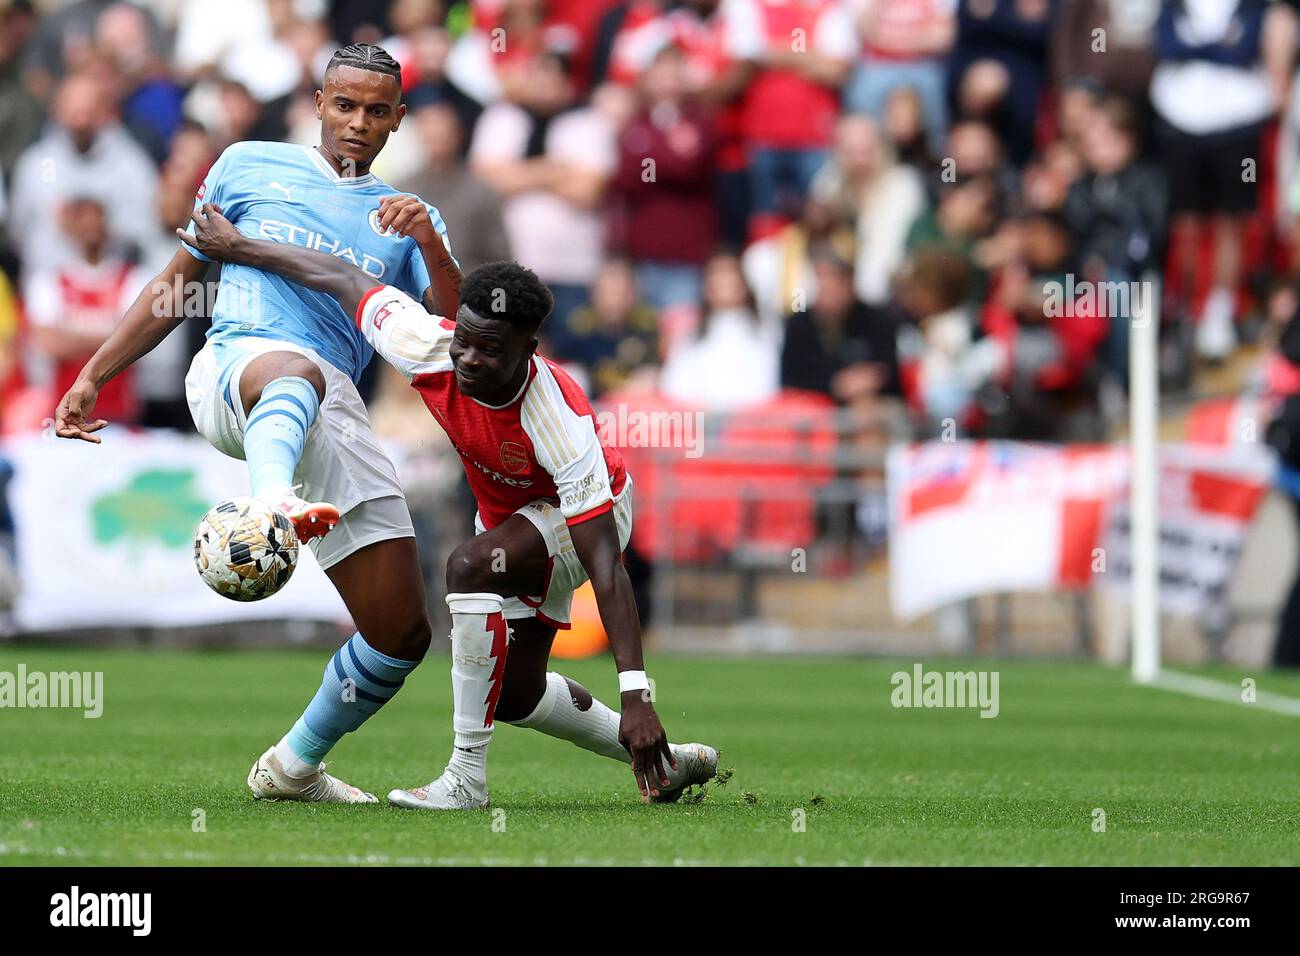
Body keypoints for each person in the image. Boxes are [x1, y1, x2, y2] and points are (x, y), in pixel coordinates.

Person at [180, 205, 720, 809]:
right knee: (515, 694)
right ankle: (662, 763)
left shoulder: (557, 418)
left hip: (589, 514)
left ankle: (466, 779)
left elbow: (607, 569)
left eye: (488, 350)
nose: (466, 359)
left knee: (467, 566)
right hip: (513, 519)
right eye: (463, 340)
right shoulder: (427, 345)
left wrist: (636, 694)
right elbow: (340, 276)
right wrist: (241, 246)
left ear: (528, 350)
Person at [52, 43, 463, 805]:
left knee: (402, 631)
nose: (358, 123)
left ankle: (293, 766)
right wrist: (94, 374)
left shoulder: (411, 215)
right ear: (317, 102)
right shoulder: (245, 164)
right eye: (345, 105)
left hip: (334, 404)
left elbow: (453, 324)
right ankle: (271, 504)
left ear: (398, 120)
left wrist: (431, 244)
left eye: (378, 111)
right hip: (237, 368)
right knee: (293, 370)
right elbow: (181, 279)